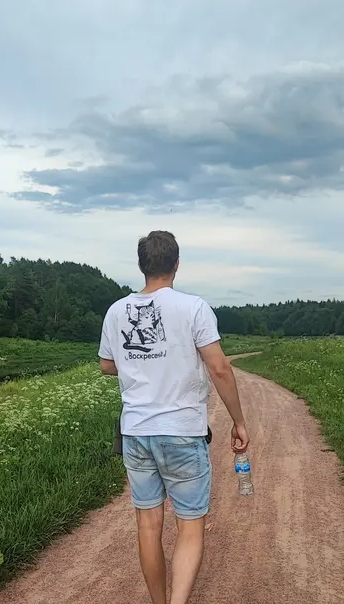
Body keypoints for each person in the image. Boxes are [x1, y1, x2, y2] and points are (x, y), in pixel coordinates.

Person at [98, 230, 250, 604]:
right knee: (190, 526)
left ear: (141, 265)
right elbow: (219, 368)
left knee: (148, 526)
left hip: (136, 432)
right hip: (182, 431)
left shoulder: (116, 311)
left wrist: (140, 364)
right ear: (176, 265)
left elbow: (107, 365)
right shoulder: (194, 308)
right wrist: (239, 422)